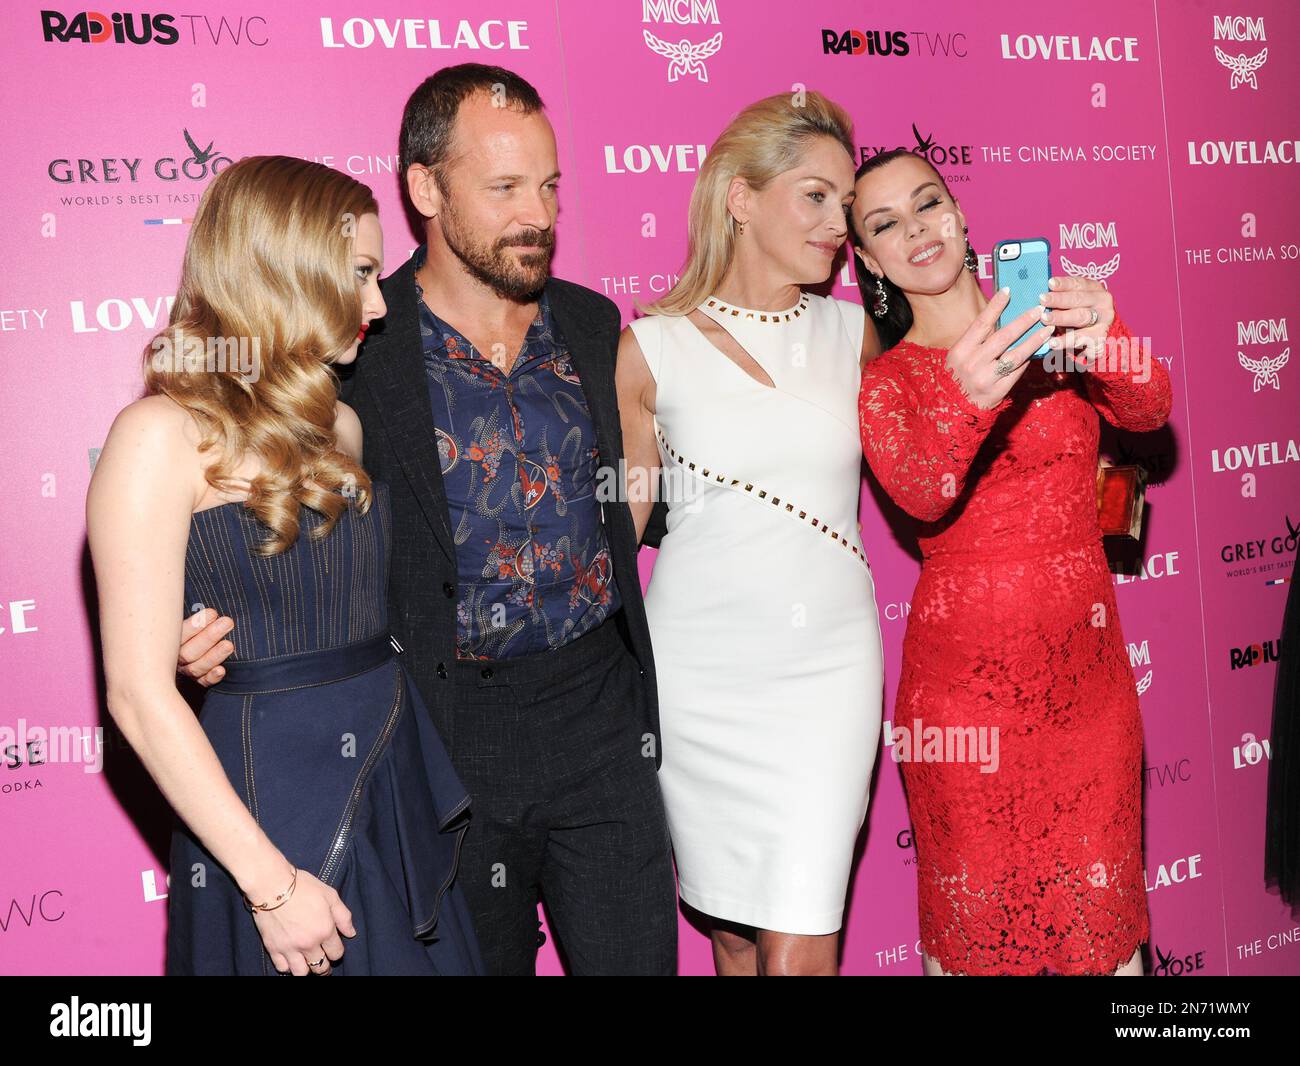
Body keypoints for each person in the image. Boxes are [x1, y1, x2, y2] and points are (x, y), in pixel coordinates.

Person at [176, 65, 678, 976]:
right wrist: (196, 622)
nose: (539, 213)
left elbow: (632, 488)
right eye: (505, 188)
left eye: (551, 185)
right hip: (445, 733)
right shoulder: (358, 351)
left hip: (602, 717)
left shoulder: (595, 324)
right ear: (424, 189)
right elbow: (251, 501)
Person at [87, 155, 482, 975]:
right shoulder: (158, 437)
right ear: (282, 267)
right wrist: (269, 886)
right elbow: (134, 692)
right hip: (265, 803)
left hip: (388, 765)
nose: (379, 304)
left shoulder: (341, 426)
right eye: (362, 273)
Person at [850, 147, 1172, 975]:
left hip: (1088, 693)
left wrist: (1109, 334)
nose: (915, 229)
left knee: (1107, 943)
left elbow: (1149, 406)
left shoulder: (1054, 329)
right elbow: (921, 491)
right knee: (978, 948)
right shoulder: (887, 383)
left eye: (929, 203)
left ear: (961, 216)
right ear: (870, 260)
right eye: (885, 223)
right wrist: (967, 392)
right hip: (964, 712)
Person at [616, 91, 884, 976]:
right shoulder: (649, 349)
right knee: (733, 928)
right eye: (815, 195)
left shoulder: (860, 334)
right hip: (698, 675)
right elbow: (621, 533)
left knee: (804, 911)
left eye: (846, 204)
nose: (837, 224)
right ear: (740, 197)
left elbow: (942, 455)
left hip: (825, 676)